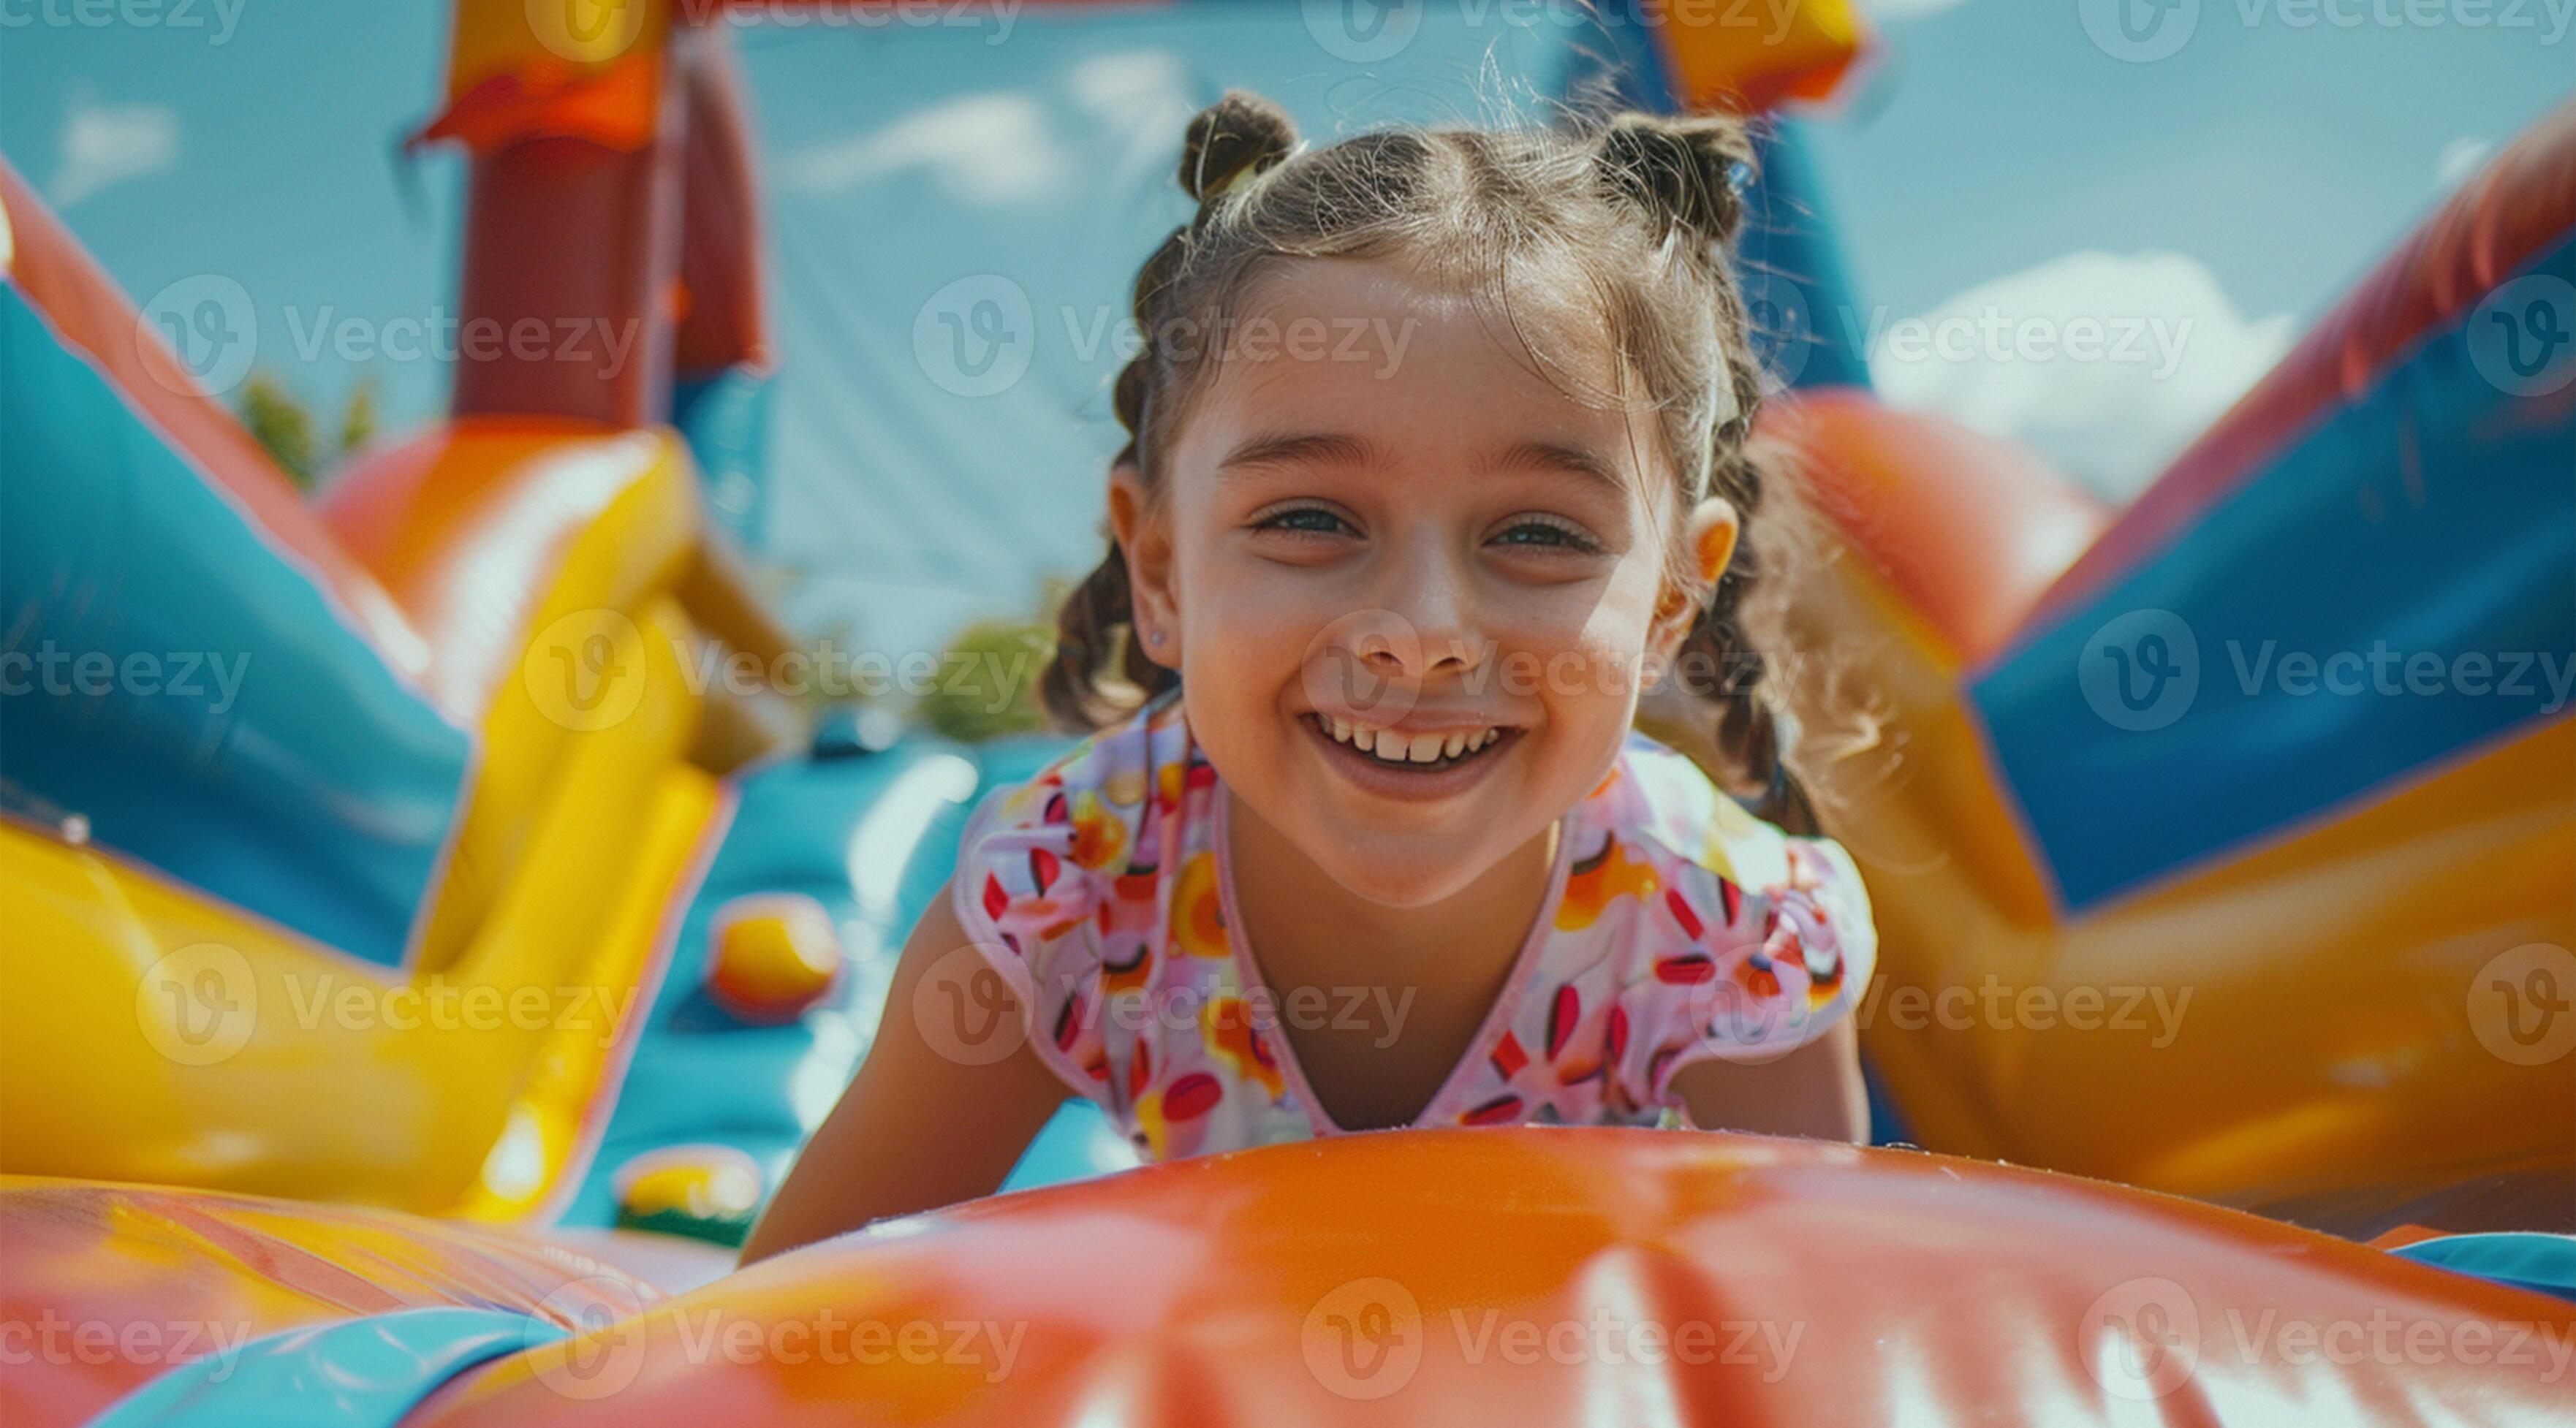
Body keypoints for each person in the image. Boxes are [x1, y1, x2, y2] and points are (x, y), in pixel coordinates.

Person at [741, 90, 1876, 1264]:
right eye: (1309, 518)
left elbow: (1807, 1342)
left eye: (1539, 533)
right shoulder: (1067, 895)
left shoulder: (1730, 937)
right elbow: (781, 1328)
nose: (1423, 632)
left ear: (1672, 604)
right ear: (1164, 569)